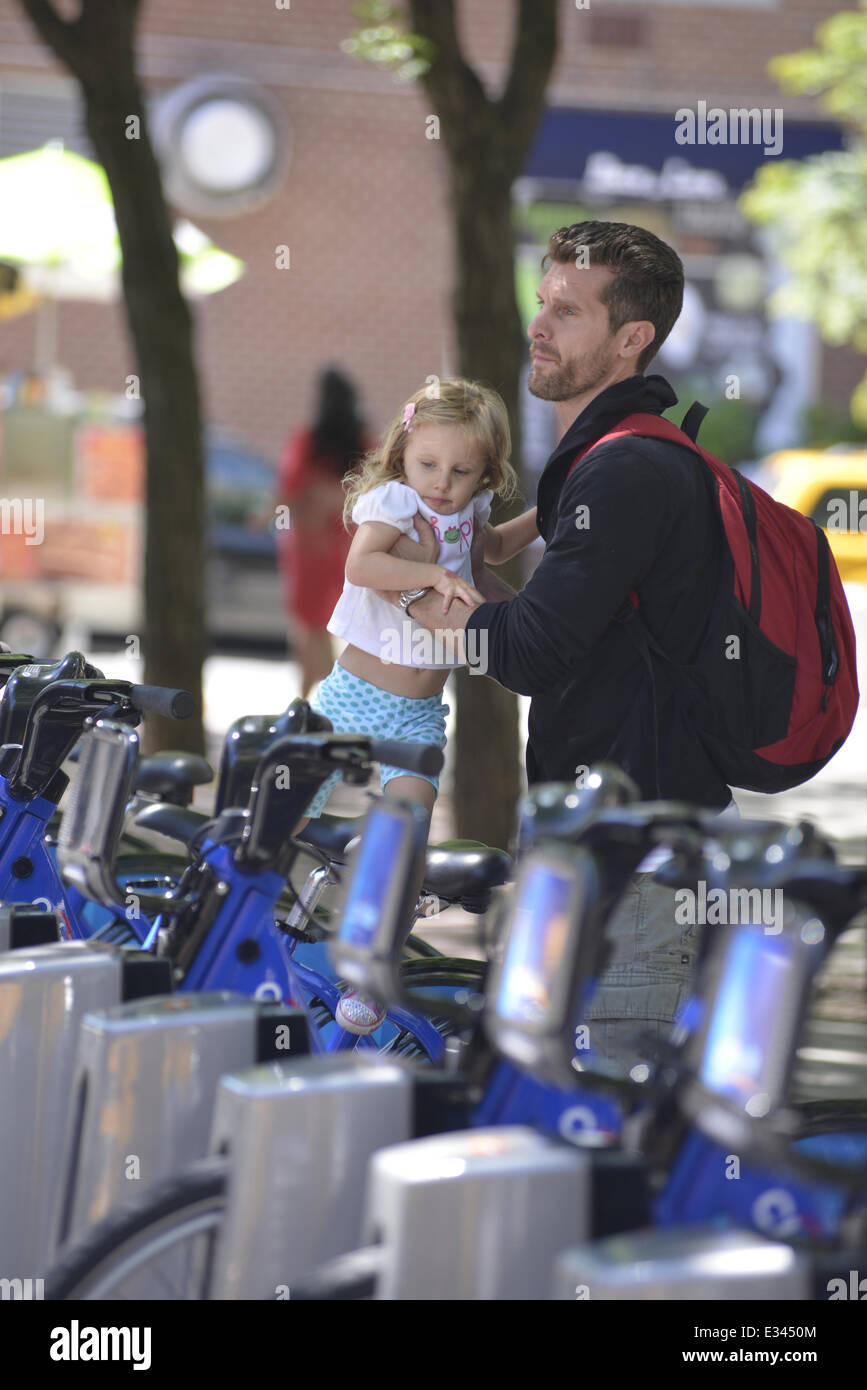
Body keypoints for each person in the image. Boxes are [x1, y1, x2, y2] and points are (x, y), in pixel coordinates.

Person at [376, 220, 737, 1071]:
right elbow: (561, 628)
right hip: (596, 829)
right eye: (539, 303)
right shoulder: (604, 459)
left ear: (630, 339)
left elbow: (531, 652)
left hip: (641, 853)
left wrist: (424, 597)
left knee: (606, 1106)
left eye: (566, 312)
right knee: (547, 1086)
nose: (536, 325)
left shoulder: (627, 471)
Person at [297, 377, 538, 1034]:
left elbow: (486, 559)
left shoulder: (467, 513)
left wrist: (545, 522)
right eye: (429, 463)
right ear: (403, 454)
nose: (442, 482)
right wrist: (432, 574)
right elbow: (363, 567)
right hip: (351, 698)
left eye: (462, 471)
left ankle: (370, 974)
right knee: (287, 816)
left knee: (406, 845)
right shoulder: (395, 501)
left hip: (418, 716)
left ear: (485, 472)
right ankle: (256, 929)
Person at [275, 368, 370, 697]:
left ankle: (313, 700)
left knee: (308, 628)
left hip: (308, 547)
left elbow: (288, 489)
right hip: (347, 546)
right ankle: (325, 698)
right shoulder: (363, 442)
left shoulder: (308, 443)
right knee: (332, 626)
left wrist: (263, 516)